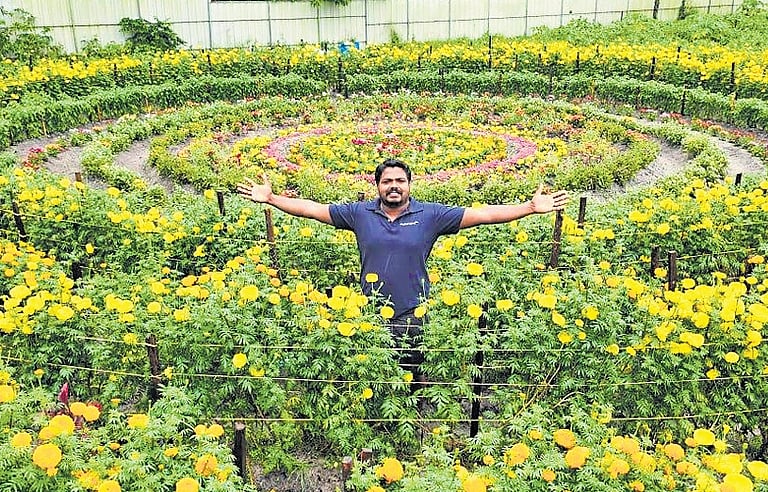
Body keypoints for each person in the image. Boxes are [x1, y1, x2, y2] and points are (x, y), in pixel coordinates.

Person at [236, 158, 569, 381]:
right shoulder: (359, 213)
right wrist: (273, 199)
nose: (393, 186)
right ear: (377, 186)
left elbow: (484, 214)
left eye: (399, 180)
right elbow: (312, 209)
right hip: (367, 313)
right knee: (371, 376)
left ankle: (406, 430)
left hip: (413, 311)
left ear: (409, 184)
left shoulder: (432, 215)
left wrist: (528, 207)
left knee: (410, 375)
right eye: (386, 181)